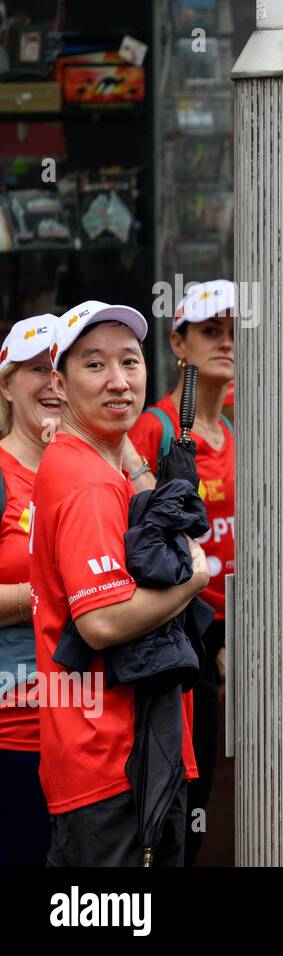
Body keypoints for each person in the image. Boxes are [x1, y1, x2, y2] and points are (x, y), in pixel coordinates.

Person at [32, 301, 209, 867]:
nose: (119, 381)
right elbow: (102, 622)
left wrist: (132, 462)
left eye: (130, 362)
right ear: (58, 383)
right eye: (94, 365)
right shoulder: (85, 481)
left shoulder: (93, 461)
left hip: (121, 760)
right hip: (112, 765)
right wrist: (194, 577)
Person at [127, 279, 236, 866]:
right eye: (211, 331)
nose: (227, 343)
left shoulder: (237, 428)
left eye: (236, 332)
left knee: (226, 789)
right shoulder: (159, 427)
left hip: (235, 629)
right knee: (183, 789)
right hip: (183, 631)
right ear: (178, 342)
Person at [0, 316, 58, 866]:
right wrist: (42, 596)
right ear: (6, 384)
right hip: (13, 730)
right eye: (38, 368)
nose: (54, 381)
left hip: (90, 734)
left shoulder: (94, 472)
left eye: (64, 368)